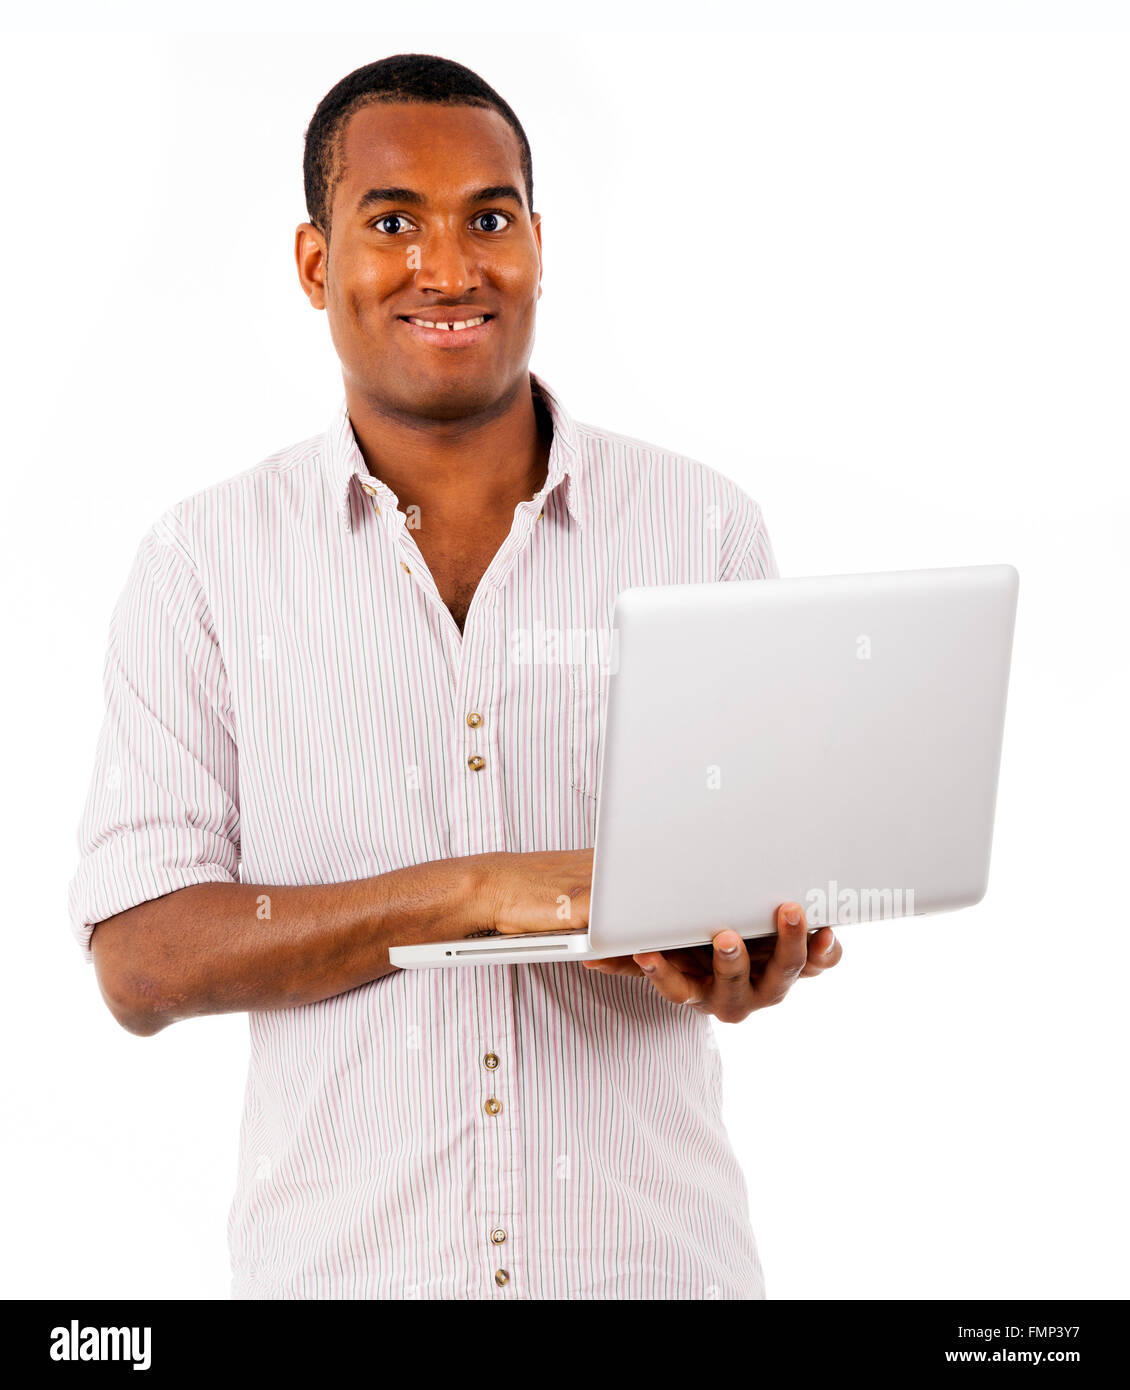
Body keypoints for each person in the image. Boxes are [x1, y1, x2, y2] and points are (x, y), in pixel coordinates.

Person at [68, 52, 842, 1301]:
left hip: (652, 1277)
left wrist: (743, 957)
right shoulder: (202, 564)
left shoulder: (702, 532)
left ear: (537, 242)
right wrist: (471, 892)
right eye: (392, 223)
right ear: (317, 263)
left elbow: (743, 875)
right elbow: (145, 957)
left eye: (487, 218)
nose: (447, 267)